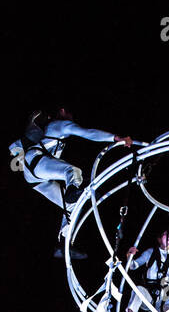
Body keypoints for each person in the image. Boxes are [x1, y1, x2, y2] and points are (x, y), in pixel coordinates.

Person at [9, 108, 132, 256]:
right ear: (62, 111)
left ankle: (64, 243)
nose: (72, 118)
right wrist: (116, 138)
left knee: (72, 206)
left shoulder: (54, 129)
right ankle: (72, 189)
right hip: (35, 160)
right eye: (70, 114)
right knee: (72, 172)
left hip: (35, 178)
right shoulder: (59, 125)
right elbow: (88, 133)